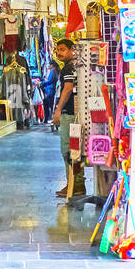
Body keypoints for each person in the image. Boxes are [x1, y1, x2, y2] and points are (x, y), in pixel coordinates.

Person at [51, 37, 85, 197]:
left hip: (69, 114)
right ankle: (76, 184)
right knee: (74, 150)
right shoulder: (74, 66)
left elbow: (68, 88)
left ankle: (74, 184)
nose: (59, 53)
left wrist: (58, 110)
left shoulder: (67, 69)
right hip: (75, 113)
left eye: (63, 50)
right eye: (58, 50)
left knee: (68, 150)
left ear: (72, 50)